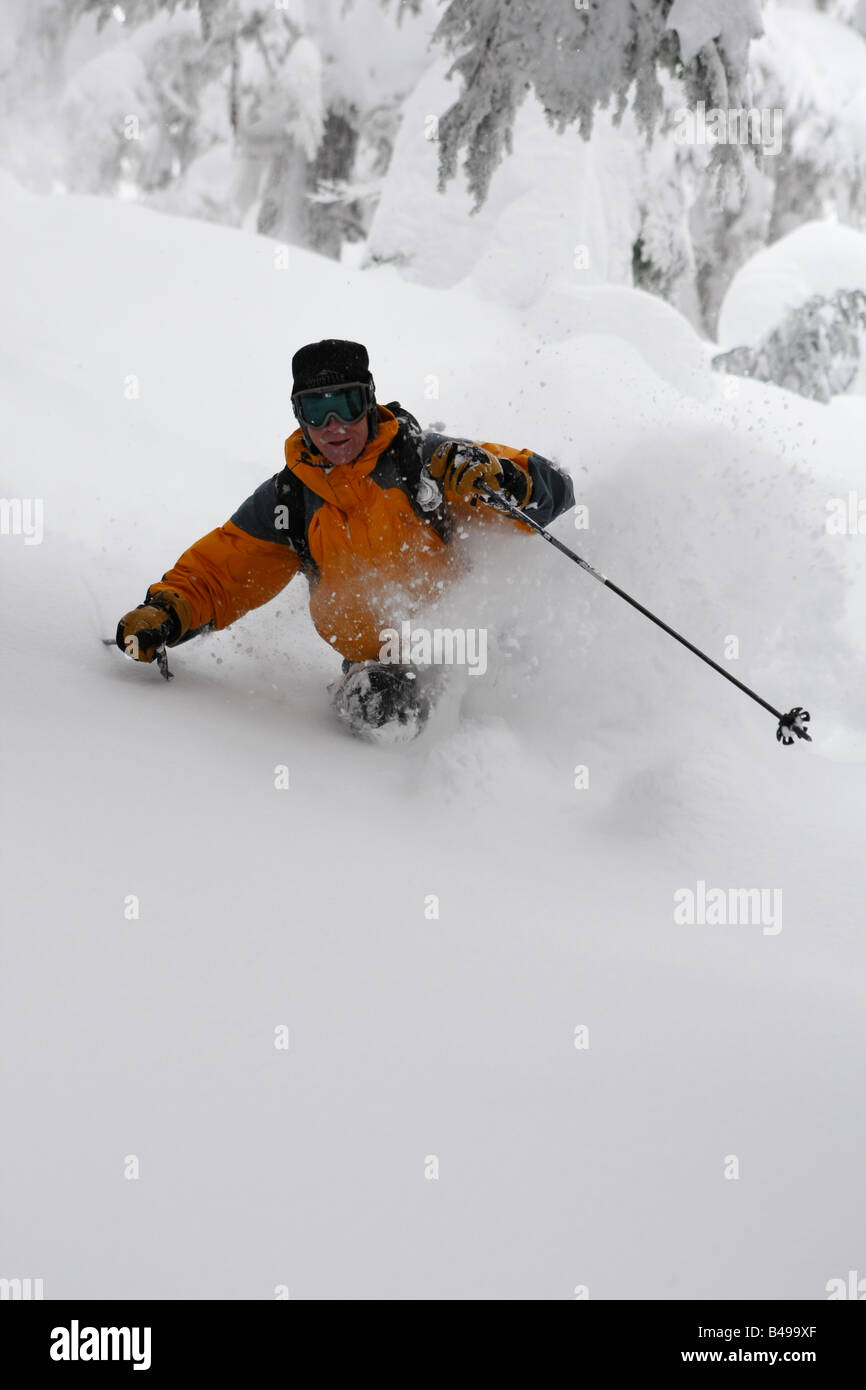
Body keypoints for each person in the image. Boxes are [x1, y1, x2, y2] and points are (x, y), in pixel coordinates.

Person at [116, 339, 574, 737]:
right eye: (317, 409)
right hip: (381, 666)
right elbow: (225, 568)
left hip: (469, 648)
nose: (334, 424)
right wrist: (167, 610)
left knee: (512, 690)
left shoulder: (427, 463)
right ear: (300, 416)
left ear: (370, 403)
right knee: (379, 709)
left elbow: (555, 490)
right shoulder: (293, 499)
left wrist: (505, 480)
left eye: (347, 405)